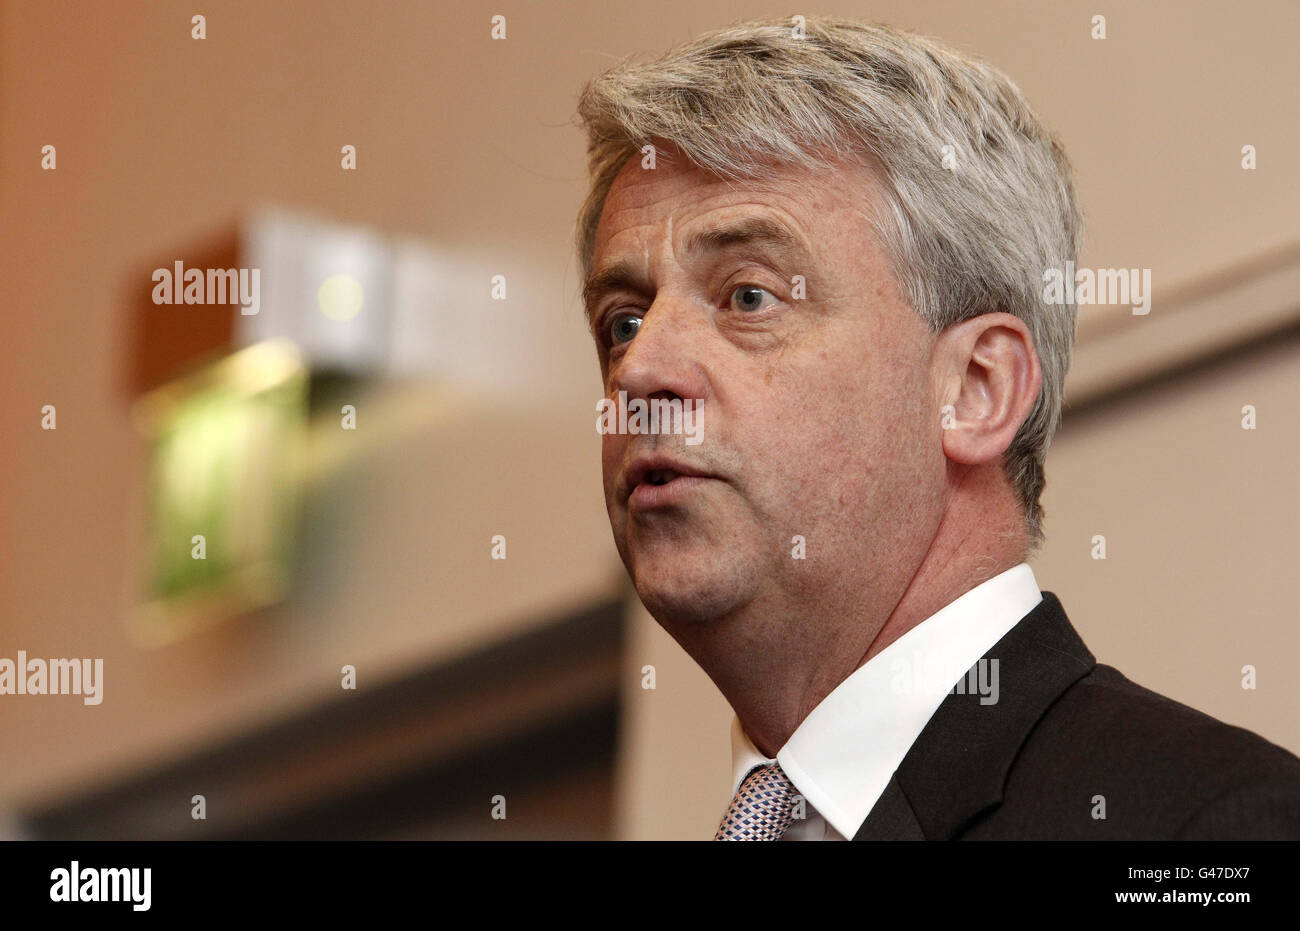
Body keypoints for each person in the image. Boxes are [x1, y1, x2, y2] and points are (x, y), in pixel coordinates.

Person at [573, 15, 1300, 839]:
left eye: (748, 296)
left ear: (978, 388)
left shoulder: (1217, 830)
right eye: (623, 321)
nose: (637, 372)